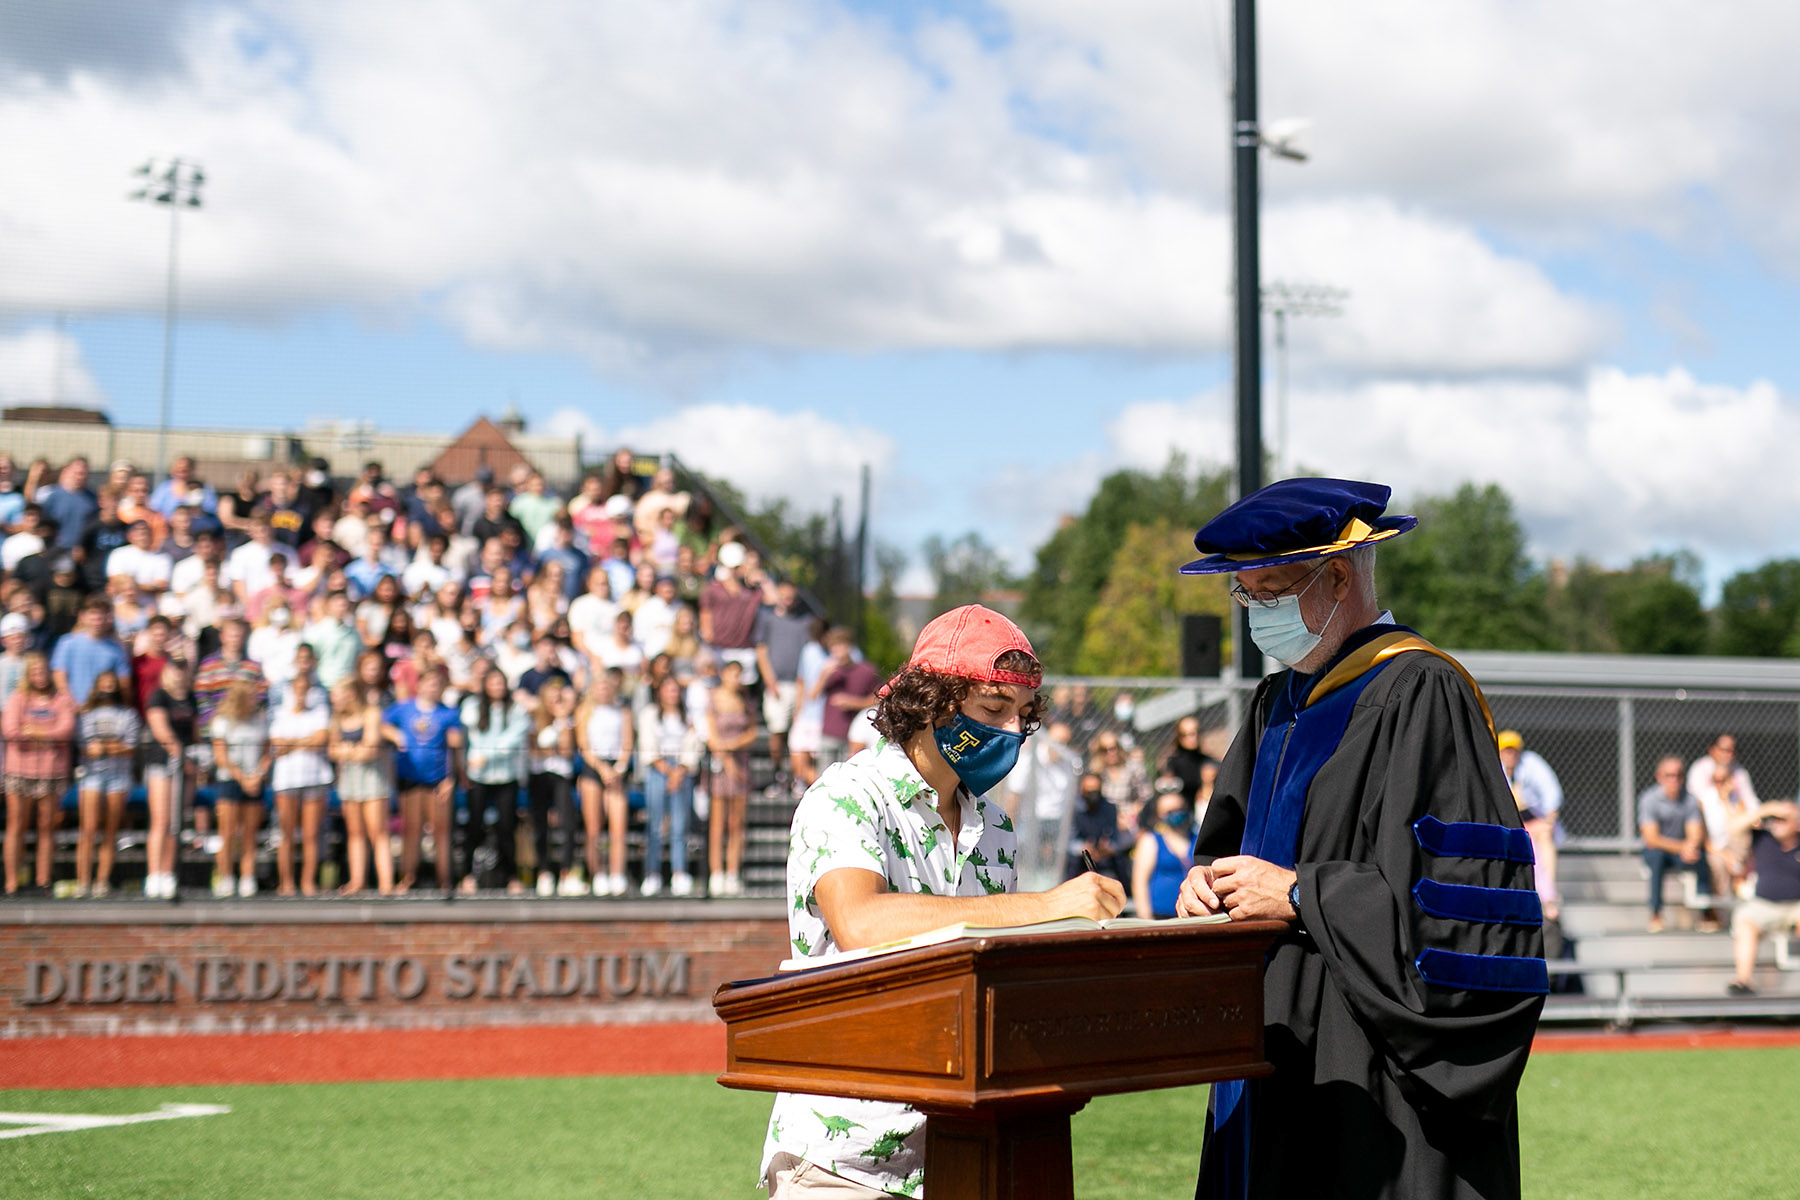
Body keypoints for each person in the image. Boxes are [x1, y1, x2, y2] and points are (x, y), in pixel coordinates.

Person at [1172, 478, 1544, 1200]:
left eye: (1271, 589)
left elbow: (1461, 919)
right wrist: (1206, 881)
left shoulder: (1421, 692)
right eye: (1245, 595)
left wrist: (1300, 893)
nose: (1256, 612)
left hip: (1373, 1069)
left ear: (1337, 575)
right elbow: (1226, 843)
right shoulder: (1277, 702)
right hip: (1269, 1044)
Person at [760, 604, 1125, 1197]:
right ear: (933, 699)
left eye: (1023, 715)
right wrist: (1044, 905)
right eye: (993, 708)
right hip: (841, 1160)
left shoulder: (997, 829)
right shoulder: (846, 795)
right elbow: (861, 923)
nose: (1011, 731)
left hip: (967, 1147)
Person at [2, 653, 76, 895]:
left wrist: (33, 730)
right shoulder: (18, 698)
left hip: (51, 771)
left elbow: (66, 730)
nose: (39, 676)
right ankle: (12, 881)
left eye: (43, 671)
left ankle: (43, 880)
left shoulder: (61, 699)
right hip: (19, 770)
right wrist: (47, 732)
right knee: (17, 825)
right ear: (27, 675)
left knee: (47, 826)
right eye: (34, 672)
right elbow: (10, 730)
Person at [388, 666, 464, 893]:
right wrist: (395, 735)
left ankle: (445, 880)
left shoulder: (448, 713)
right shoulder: (403, 709)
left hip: (437, 780)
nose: (433, 687)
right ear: (418, 685)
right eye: (429, 682)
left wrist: (451, 779)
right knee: (410, 830)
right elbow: (382, 724)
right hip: (410, 780)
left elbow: (455, 748)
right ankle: (408, 877)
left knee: (441, 831)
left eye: (437, 684)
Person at [268, 652, 336, 894]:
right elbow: (277, 746)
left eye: (304, 689)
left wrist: (292, 743)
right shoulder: (279, 714)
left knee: (311, 835)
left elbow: (320, 740)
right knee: (285, 834)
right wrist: (303, 742)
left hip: (314, 778)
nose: (300, 693)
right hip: (286, 780)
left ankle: (308, 882)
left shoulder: (319, 712)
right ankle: (286, 882)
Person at [460, 666, 532, 893]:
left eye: (500, 682)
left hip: (505, 777)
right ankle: (467, 875)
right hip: (479, 777)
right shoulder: (473, 707)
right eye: (492, 682)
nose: (496, 687)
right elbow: (471, 730)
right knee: (474, 826)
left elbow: (510, 743)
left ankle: (511, 876)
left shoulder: (516, 710)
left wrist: (484, 755)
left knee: (506, 827)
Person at [329, 679, 400, 896]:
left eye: (338, 695)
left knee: (378, 832)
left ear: (351, 694)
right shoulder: (337, 718)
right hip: (349, 780)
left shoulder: (371, 713)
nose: (335, 701)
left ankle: (386, 883)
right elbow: (331, 750)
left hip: (372, 780)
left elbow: (371, 747)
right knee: (354, 833)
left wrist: (347, 750)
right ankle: (357, 881)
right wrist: (353, 751)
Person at [1725, 800, 1800, 996]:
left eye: (1783, 819)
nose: (1776, 823)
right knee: (1745, 920)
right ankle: (1743, 980)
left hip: (1796, 907)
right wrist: (1767, 809)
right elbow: (1733, 828)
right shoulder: (1762, 839)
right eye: (1774, 819)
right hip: (1764, 905)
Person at [74, 670, 139, 897]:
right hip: (91, 776)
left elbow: (130, 747)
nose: (109, 687)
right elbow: (86, 747)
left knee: (111, 831)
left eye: (112, 683)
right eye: (104, 683)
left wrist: (104, 748)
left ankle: (102, 882)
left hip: (118, 777)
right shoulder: (86, 713)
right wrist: (114, 747)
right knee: (88, 829)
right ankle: (83, 881)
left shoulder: (128, 714)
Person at [637, 674, 701, 897]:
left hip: (681, 770)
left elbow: (693, 744)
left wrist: (680, 771)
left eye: (675, 690)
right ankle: (652, 873)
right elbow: (647, 746)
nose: (672, 693)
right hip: (658, 769)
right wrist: (667, 770)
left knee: (679, 825)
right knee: (655, 825)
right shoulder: (650, 715)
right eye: (668, 689)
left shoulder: (688, 716)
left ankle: (679, 871)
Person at [1638, 754, 1714, 933]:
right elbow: (1652, 838)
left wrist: (1692, 847)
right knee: (1656, 858)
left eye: (1678, 775)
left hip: (1681, 851)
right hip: (1659, 850)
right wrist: (1684, 846)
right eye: (1669, 775)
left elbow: (1695, 833)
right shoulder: (1649, 799)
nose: (1674, 780)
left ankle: (1706, 912)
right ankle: (1655, 913)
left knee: (1701, 859)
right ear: (1659, 777)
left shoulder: (1690, 800)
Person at [209, 680, 271, 898]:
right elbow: (221, 757)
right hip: (230, 780)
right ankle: (225, 877)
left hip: (254, 781)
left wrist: (257, 776)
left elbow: (266, 753)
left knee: (249, 834)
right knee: (227, 832)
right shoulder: (222, 722)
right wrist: (242, 778)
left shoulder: (261, 721)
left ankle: (247, 877)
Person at [142, 659, 198, 899]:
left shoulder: (192, 699)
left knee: (176, 823)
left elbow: (195, 731)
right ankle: (153, 874)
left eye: (182, 668)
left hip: (185, 766)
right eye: (174, 668)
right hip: (163, 764)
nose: (179, 673)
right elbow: (161, 730)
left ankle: (168, 873)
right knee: (161, 821)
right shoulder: (159, 696)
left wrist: (196, 756)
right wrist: (180, 755)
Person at [575, 670, 634, 897]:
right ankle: (597, 873)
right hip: (594, 768)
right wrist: (602, 769)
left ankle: (617, 873)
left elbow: (627, 743)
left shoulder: (623, 712)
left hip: (616, 769)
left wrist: (618, 768)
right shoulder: (585, 711)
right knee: (594, 828)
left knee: (618, 828)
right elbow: (584, 745)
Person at [1496, 730, 1565, 920]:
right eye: (1505, 751)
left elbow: (1552, 795)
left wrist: (1548, 822)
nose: (1510, 755)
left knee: (1543, 835)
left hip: (1534, 820)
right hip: (1509, 824)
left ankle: (1548, 893)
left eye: (1513, 750)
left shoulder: (1532, 764)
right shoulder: (1494, 767)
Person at [705, 658, 757, 897]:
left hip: (741, 763)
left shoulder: (745, 700)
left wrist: (734, 746)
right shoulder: (713, 698)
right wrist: (727, 760)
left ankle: (733, 871)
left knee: (737, 822)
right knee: (718, 823)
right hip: (721, 766)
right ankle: (716, 872)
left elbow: (752, 732)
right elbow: (712, 736)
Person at [527, 679, 582, 896]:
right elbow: (534, 751)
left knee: (568, 823)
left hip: (561, 776)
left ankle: (566, 872)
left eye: (558, 699)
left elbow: (567, 751)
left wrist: (561, 721)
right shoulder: (534, 720)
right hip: (539, 776)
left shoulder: (566, 722)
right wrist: (549, 749)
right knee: (540, 825)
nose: (554, 703)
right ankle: (543, 871)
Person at [1132, 778, 1195, 920]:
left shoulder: (1197, 838)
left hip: (1192, 916)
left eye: (1179, 809)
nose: (1176, 814)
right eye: (1169, 811)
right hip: (1160, 917)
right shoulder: (1151, 840)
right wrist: (1146, 919)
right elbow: (1139, 882)